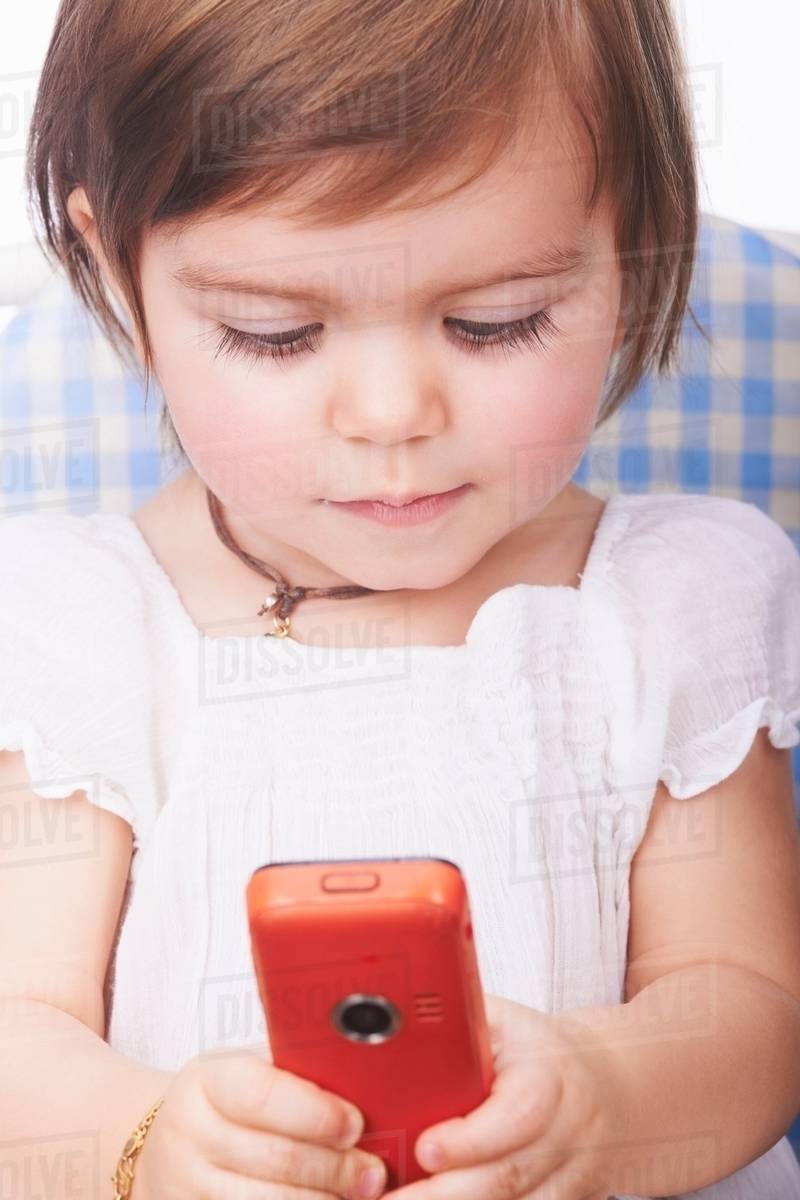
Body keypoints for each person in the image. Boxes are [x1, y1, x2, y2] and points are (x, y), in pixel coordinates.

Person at [2, 0, 800, 1197]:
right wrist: (144, 1142)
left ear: (629, 250)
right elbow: (18, 1027)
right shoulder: (81, 626)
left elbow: (750, 1003)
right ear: (120, 270)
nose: (391, 414)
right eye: (275, 335)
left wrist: (609, 1096)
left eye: (497, 322)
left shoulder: (670, 602)